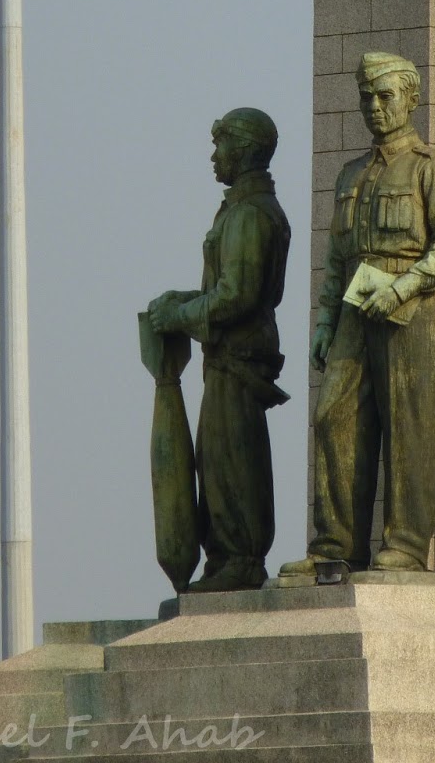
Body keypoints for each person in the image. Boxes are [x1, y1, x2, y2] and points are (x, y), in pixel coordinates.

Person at [280, 52, 435, 575]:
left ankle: (406, 545)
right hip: (355, 308)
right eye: (367, 97)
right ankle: (335, 547)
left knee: (409, 425)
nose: (375, 107)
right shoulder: (351, 174)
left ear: (411, 99)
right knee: (332, 418)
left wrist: (405, 287)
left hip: (414, 311)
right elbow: (337, 258)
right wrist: (323, 322)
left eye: (385, 96)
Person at [147, 107, 291, 592]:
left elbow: (237, 296)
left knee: (233, 461)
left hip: (238, 363)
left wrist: (178, 317)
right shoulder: (238, 210)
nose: (214, 156)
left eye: (221, 144)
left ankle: (241, 560)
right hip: (225, 362)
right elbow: (224, 289)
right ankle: (224, 559)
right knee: (215, 459)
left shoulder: (250, 214)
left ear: (246, 150)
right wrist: (182, 300)